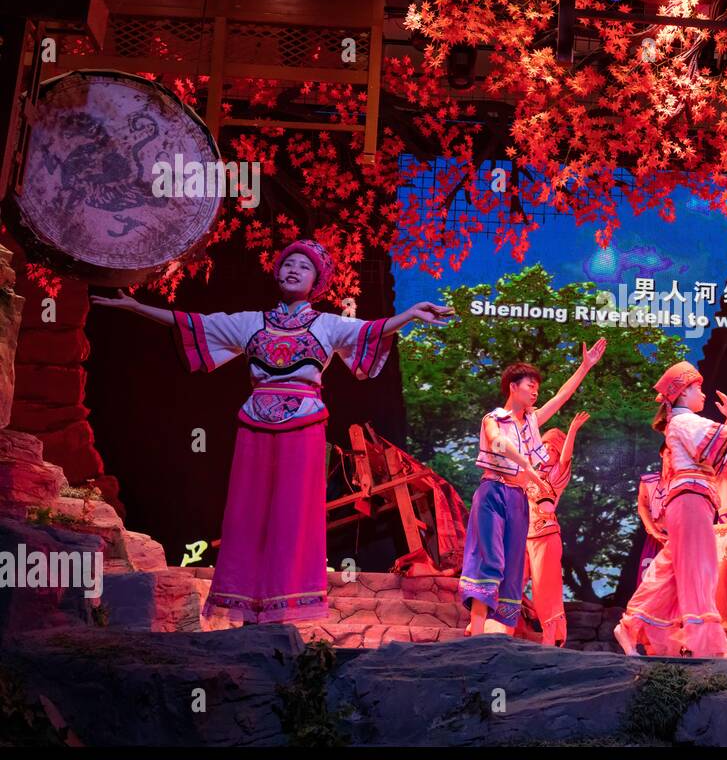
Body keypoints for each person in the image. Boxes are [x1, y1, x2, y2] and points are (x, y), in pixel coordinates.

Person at [91, 239, 454, 624]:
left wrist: (410, 314)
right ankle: (246, 605)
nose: (293, 270)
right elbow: (193, 322)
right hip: (255, 422)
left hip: (305, 424)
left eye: (304, 266)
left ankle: (287, 607)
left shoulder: (327, 324)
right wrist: (136, 307)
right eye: (288, 264)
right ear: (277, 273)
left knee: (294, 514)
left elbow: (371, 330)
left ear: (316, 281)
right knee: (247, 513)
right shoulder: (251, 322)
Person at [614, 360, 727, 658]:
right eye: (698, 389)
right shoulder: (683, 421)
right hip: (690, 501)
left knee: (670, 569)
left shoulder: (683, 423)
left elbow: (723, 457)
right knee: (699, 568)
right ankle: (709, 644)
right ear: (682, 394)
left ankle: (630, 626)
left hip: (693, 502)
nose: (703, 395)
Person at [461, 339, 606, 636]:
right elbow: (499, 443)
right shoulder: (494, 419)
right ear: (513, 387)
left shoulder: (531, 423)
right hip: (493, 492)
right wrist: (526, 466)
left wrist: (585, 367)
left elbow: (561, 398)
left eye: (537, 387)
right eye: (530, 385)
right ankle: (475, 632)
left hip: (517, 496)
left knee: (514, 567)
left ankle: (500, 631)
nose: (536, 391)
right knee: (491, 559)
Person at [521, 410, 589, 646]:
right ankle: (501, 629)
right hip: (522, 536)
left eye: (553, 448)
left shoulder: (557, 476)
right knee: (511, 581)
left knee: (545, 589)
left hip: (545, 536)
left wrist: (572, 431)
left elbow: (566, 457)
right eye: (545, 447)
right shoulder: (530, 473)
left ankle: (553, 638)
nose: (547, 452)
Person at [634, 445, 670, 586]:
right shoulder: (649, 481)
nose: (672, 457)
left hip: (680, 539)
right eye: (669, 453)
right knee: (650, 583)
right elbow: (643, 506)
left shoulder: (686, 482)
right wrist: (654, 531)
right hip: (655, 539)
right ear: (661, 453)